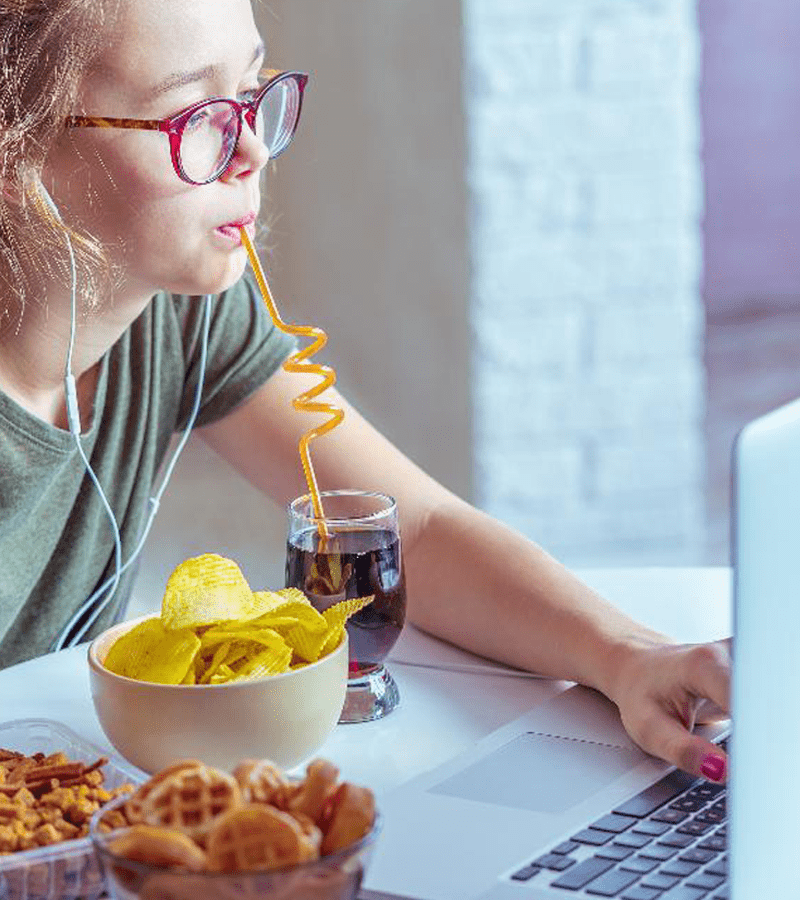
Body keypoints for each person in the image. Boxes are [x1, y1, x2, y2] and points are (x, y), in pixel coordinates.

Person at [0, 0, 730, 783]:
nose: (252, 149)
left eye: (252, 91)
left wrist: (628, 659)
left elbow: (413, 531)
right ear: (20, 153)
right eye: (196, 114)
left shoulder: (182, 310)